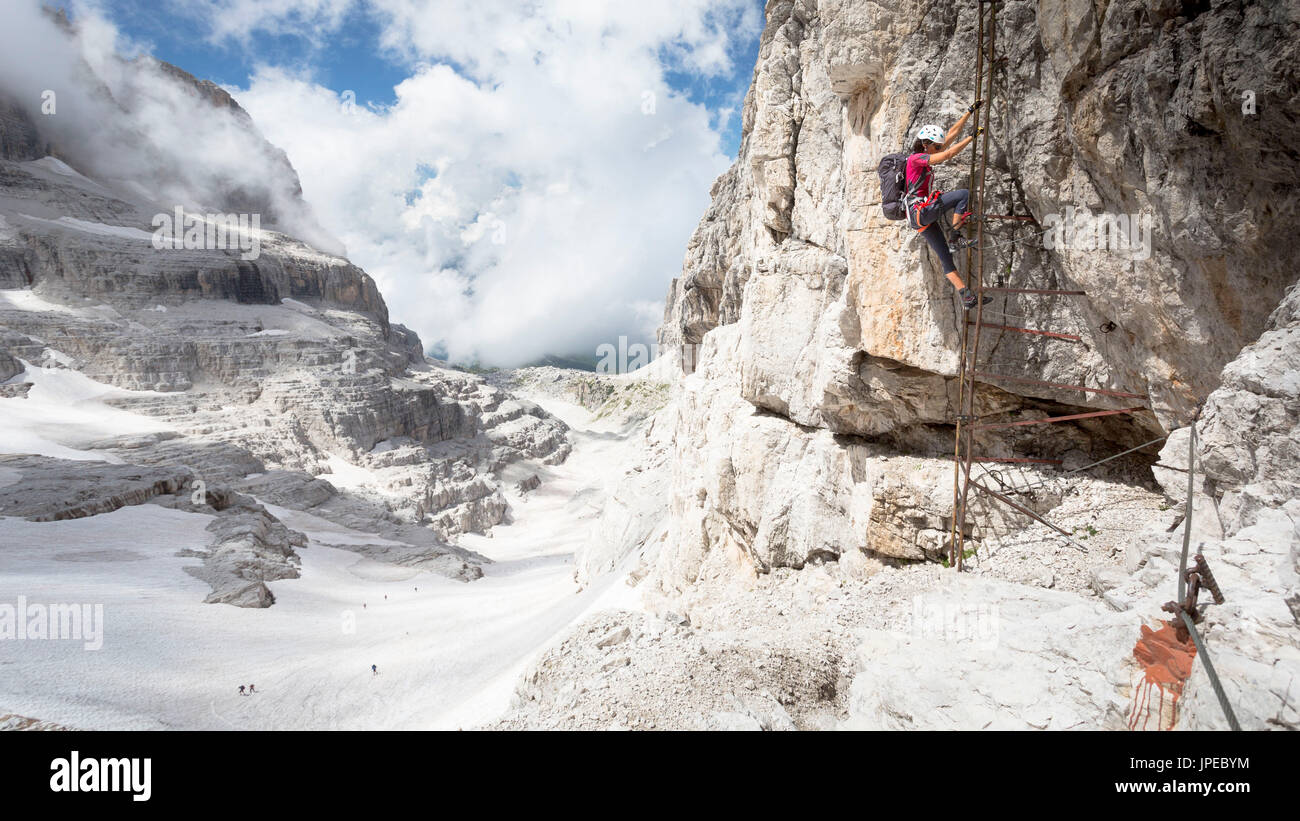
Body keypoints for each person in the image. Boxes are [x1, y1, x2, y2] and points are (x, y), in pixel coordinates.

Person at [904, 101, 989, 310]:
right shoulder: (916, 159)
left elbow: (949, 136)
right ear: (926, 144)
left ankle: (966, 296)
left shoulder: (924, 153)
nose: (940, 148)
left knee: (945, 258)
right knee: (963, 195)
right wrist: (972, 136)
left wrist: (969, 112)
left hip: (917, 219)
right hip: (920, 212)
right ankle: (955, 237)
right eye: (936, 146)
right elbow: (948, 154)